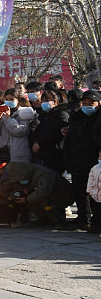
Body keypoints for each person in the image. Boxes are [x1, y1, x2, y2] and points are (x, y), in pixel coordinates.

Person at [64, 90, 101, 231]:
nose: (87, 106)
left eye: (91, 103)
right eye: (84, 103)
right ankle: (83, 218)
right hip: (77, 160)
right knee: (79, 191)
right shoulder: (77, 117)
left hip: (93, 161)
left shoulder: (98, 118)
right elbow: (69, 139)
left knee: (95, 193)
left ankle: (96, 220)